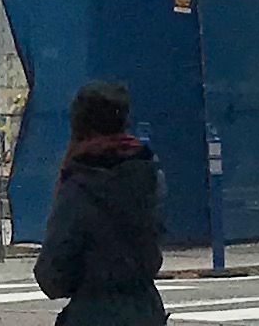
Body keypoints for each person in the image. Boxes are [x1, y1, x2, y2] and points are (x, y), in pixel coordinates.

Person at [34, 80, 166, 326]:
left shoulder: (79, 184)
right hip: (146, 311)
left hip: (93, 313)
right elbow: (154, 252)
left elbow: (53, 273)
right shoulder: (149, 174)